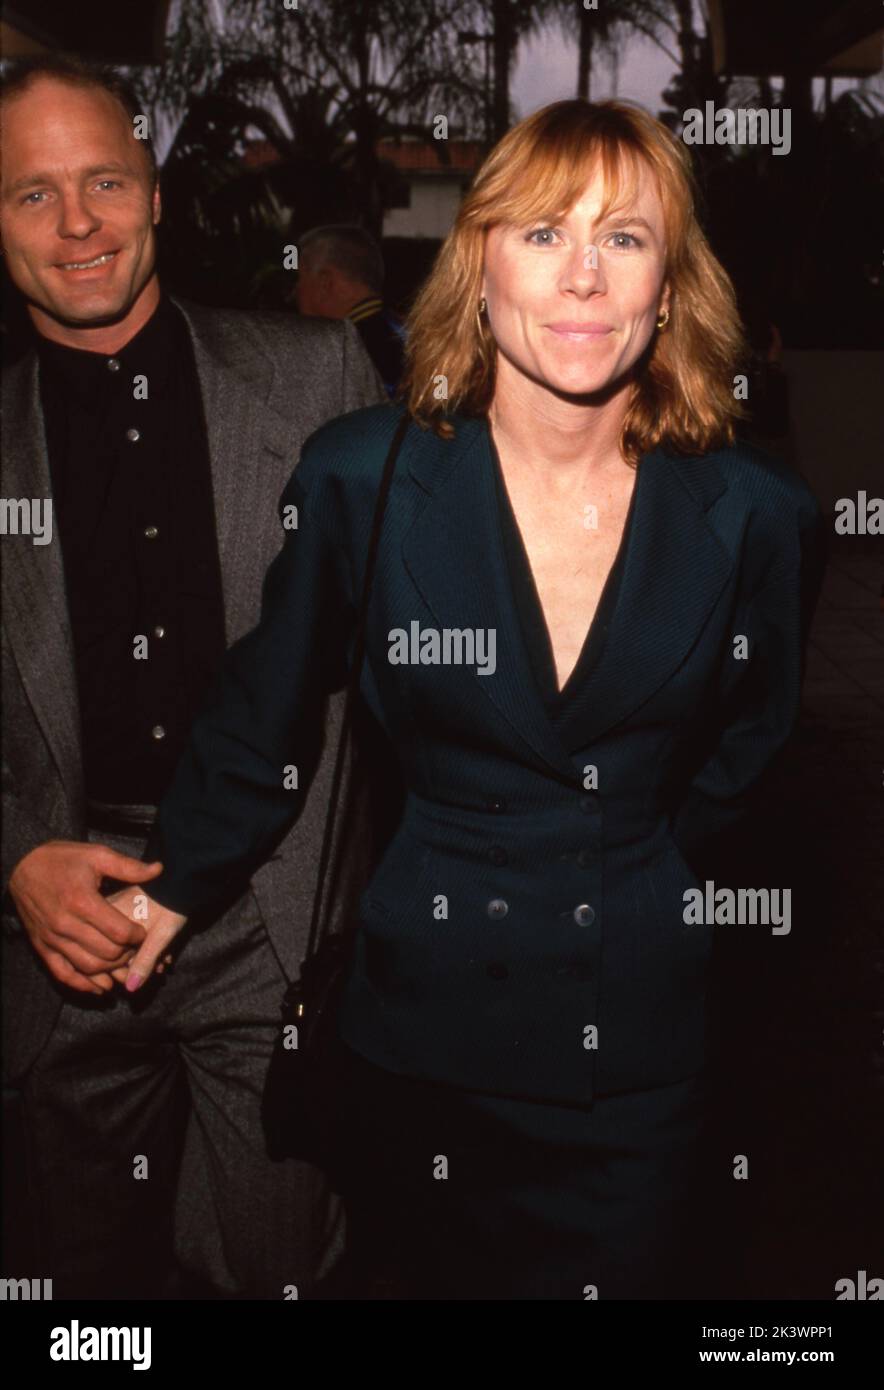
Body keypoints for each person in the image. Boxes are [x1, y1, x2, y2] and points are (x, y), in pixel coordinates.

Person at [111, 99, 828, 1300]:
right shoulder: (361, 476)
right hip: (421, 1040)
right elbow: (267, 704)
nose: (583, 277)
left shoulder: (759, 514)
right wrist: (176, 880)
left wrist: (630, 858)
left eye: (623, 238)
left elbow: (745, 752)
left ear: (667, 287)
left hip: (635, 1056)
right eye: (542, 234)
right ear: (478, 268)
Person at [0, 55, 385, 1300]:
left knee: (280, 1270)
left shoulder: (320, 378)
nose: (77, 224)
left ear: (154, 193)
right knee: (82, 1290)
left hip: (273, 920)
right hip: (56, 945)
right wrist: (17, 857)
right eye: (32, 193)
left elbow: (403, 648)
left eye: (105, 181)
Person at [294, 224, 406, 398]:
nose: (294, 292)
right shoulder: (412, 334)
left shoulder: (341, 351)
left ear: (325, 282)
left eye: (300, 278)